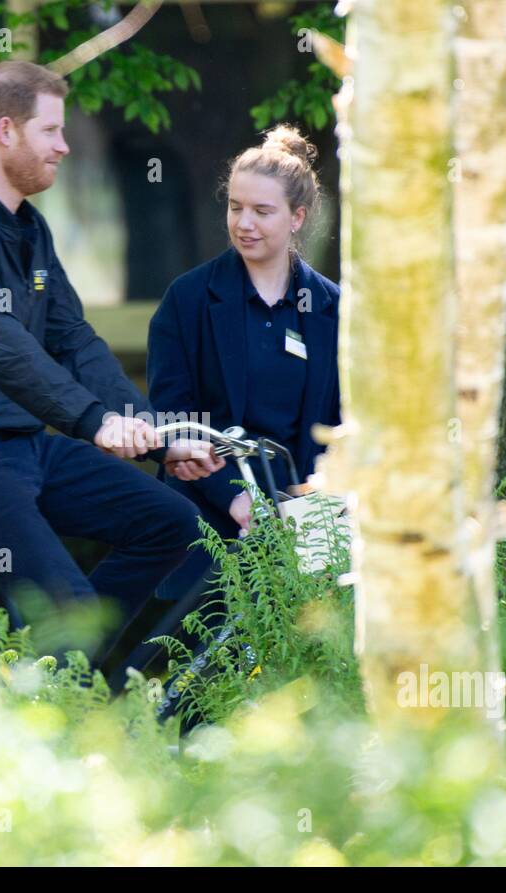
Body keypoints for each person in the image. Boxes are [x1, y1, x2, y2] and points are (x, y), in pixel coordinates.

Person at [0, 61, 224, 657]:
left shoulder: (29, 229)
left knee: (173, 525)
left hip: (23, 444)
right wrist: (93, 421)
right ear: (6, 131)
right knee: (69, 616)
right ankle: (67, 673)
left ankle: (62, 672)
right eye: (51, 131)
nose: (64, 146)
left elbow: (74, 340)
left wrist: (159, 439)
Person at [146, 125, 340, 598]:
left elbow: (343, 426)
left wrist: (311, 511)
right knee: (198, 665)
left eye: (261, 211)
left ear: (297, 217)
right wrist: (235, 496)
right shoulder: (187, 299)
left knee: (305, 659)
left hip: (305, 518)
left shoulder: (334, 308)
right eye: (235, 207)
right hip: (206, 510)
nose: (244, 223)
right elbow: (173, 415)